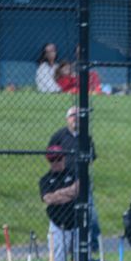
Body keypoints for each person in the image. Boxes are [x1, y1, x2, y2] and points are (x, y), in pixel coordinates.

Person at [49, 106, 99, 247]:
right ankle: (68, 243)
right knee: (65, 213)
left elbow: (91, 157)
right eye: (72, 116)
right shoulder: (59, 136)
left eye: (78, 116)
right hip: (63, 183)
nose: (75, 119)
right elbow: (50, 154)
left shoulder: (85, 137)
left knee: (89, 213)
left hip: (81, 181)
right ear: (67, 119)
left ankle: (92, 244)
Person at [39, 145, 78, 261]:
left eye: (58, 159)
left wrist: (57, 194)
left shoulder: (74, 173)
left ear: (64, 158)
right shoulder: (45, 180)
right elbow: (48, 199)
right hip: (57, 225)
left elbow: (77, 190)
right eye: (52, 160)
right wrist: (68, 193)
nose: (56, 163)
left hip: (77, 224)